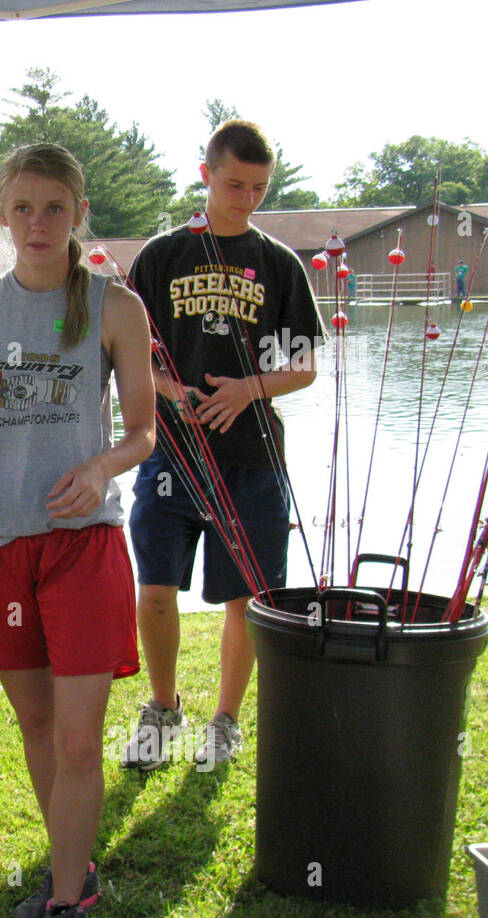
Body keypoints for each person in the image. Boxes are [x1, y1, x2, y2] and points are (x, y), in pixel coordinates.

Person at [0, 143, 155, 918]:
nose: (36, 223)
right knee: (34, 726)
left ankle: (67, 905)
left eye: (53, 207)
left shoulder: (114, 306)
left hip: (85, 542)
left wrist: (100, 466)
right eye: (21, 207)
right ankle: (73, 865)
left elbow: (142, 430)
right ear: (0, 215)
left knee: (80, 741)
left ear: (78, 215)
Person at [121, 119, 321, 773]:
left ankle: (225, 720)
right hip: (170, 455)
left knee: (246, 598)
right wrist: (169, 391)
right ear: (206, 174)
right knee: (154, 588)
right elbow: (123, 356)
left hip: (253, 460)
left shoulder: (279, 263)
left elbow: (305, 364)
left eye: (260, 187)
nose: (247, 198)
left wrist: (249, 388)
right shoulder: (161, 257)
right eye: (235, 183)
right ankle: (162, 706)